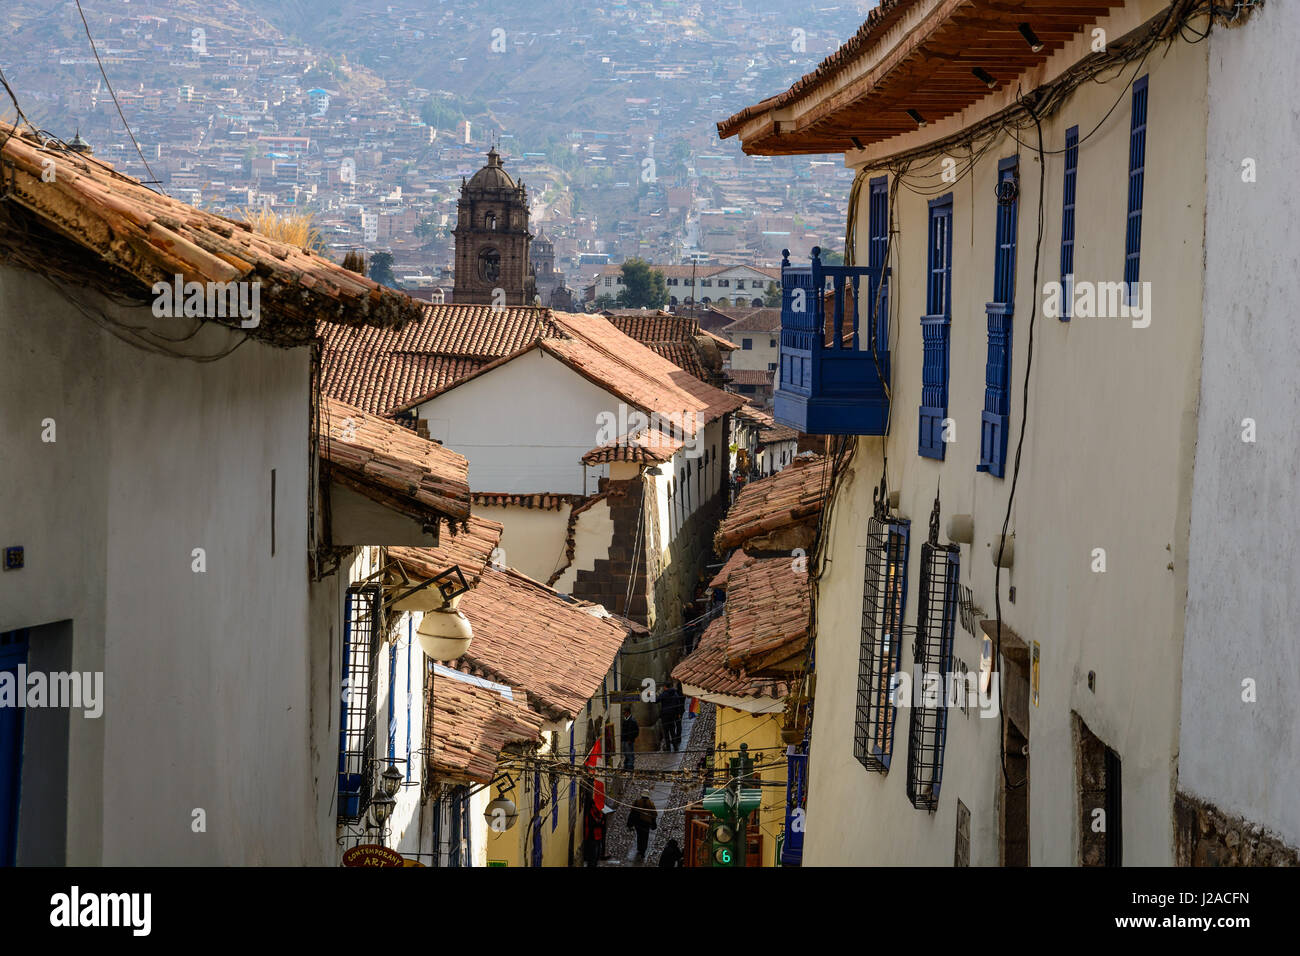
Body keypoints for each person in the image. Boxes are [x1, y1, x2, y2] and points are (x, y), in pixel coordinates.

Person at [627, 790, 658, 861]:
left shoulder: (637, 802)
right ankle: (643, 851)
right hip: (646, 824)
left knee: (639, 835)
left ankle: (639, 848)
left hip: (638, 823)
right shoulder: (651, 804)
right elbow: (655, 814)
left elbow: (632, 812)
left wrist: (630, 824)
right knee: (645, 837)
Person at [658, 682, 684, 752]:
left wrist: (650, 695)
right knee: (672, 732)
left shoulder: (664, 694)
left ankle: (668, 748)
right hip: (672, 716)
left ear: (665, 687)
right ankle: (675, 748)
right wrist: (678, 714)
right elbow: (678, 705)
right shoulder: (675, 694)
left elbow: (656, 700)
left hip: (665, 716)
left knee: (666, 733)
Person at [581, 794, 605, 867]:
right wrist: (599, 822)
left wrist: (599, 822)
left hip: (598, 836)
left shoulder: (599, 812)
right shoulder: (590, 814)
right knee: (592, 855)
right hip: (592, 837)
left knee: (597, 855)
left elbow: (602, 822)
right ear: (593, 805)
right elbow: (592, 824)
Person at [621, 706, 639, 771]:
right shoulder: (625, 720)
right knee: (626, 754)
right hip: (624, 740)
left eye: (624, 713)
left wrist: (631, 739)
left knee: (630, 754)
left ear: (628, 713)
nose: (624, 714)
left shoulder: (632, 721)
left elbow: (636, 731)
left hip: (629, 741)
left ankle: (630, 767)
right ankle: (626, 766)